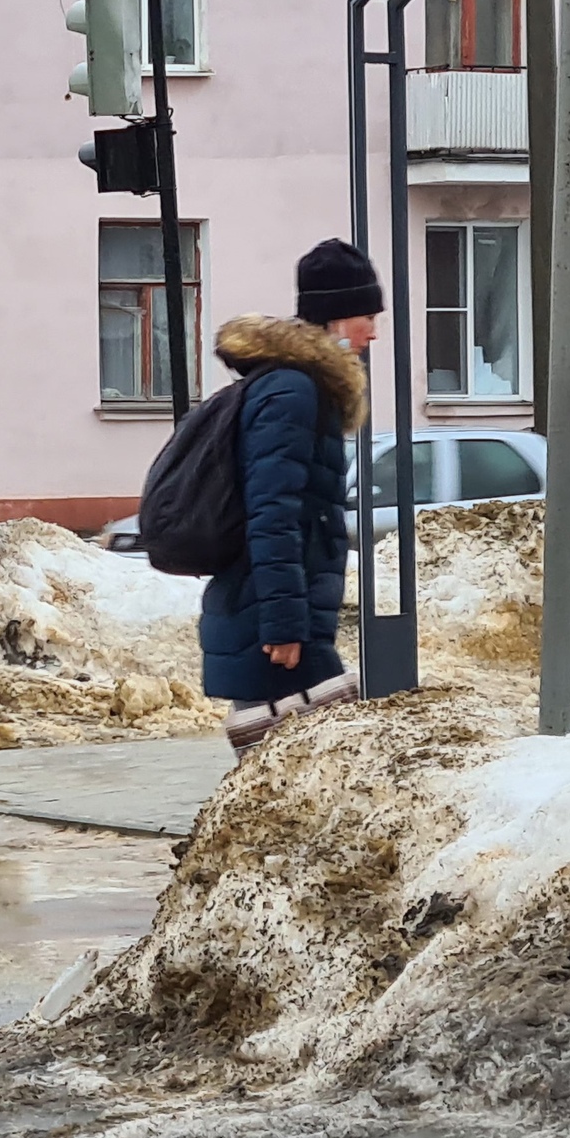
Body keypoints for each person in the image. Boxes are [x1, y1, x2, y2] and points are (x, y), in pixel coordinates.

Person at [203, 240, 378, 760]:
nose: (372, 331)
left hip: (281, 617)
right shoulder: (293, 392)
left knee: (295, 774)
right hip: (274, 625)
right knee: (311, 770)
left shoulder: (301, 388)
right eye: (365, 315)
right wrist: (282, 624)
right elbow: (273, 512)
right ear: (335, 318)